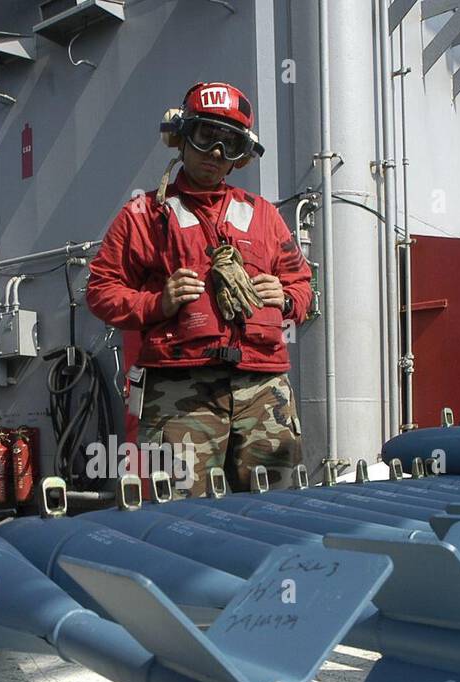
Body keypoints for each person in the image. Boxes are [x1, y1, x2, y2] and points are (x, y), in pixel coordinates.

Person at [86, 81, 312, 496]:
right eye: (207, 136)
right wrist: (158, 302)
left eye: (231, 143)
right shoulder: (144, 216)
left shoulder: (263, 217)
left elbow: (302, 284)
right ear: (183, 137)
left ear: (242, 155)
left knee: (279, 507)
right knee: (179, 511)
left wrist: (289, 297)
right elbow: (101, 289)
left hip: (263, 391)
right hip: (180, 392)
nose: (216, 154)